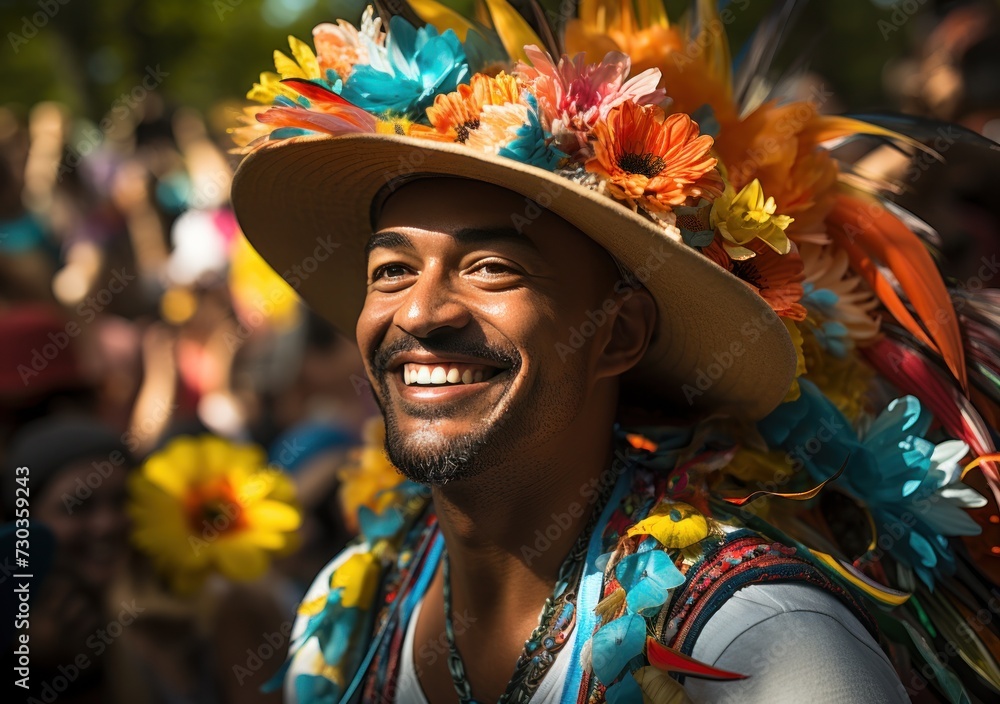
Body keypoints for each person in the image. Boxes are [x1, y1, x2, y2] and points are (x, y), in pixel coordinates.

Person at [231, 2, 1000, 702]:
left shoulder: (763, 643)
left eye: (492, 267)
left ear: (619, 334)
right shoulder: (349, 611)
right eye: (391, 270)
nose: (422, 312)